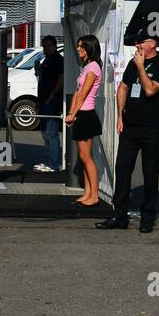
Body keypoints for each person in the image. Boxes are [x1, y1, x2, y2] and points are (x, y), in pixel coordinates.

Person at [97, 28, 159, 233]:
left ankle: (148, 217)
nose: (137, 45)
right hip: (130, 127)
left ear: (152, 44)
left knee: (150, 172)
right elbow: (123, 88)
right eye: (136, 42)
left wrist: (141, 67)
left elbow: (150, 90)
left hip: (153, 129)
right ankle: (119, 215)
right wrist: (120, 115)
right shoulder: (133, 63)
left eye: (141, 42)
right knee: (122, 169)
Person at [64, 35, 102, 205]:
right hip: (81, 115)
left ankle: (94, 195)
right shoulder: (86, 67)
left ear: (90, 48)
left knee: (86, 157)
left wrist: (73, 113)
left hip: (86, 115)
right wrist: (72, 112)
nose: (79, 49)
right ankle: (88, 193)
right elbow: (77, 92)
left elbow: (84, 94)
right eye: (78, 46)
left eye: (82, 46)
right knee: (84, 156)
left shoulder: (93, 67)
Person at [33, 36, 64, 172]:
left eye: (49, 46)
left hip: (52, 101)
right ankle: (48, 161)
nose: (46, 48)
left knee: (51, 133)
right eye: (44, 46)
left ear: (55, 46)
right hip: (44, 100)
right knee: (45, 132)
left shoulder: (57, 60)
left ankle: (54, 163)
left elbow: (61, 79)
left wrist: (51, 96)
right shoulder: (46, 60)